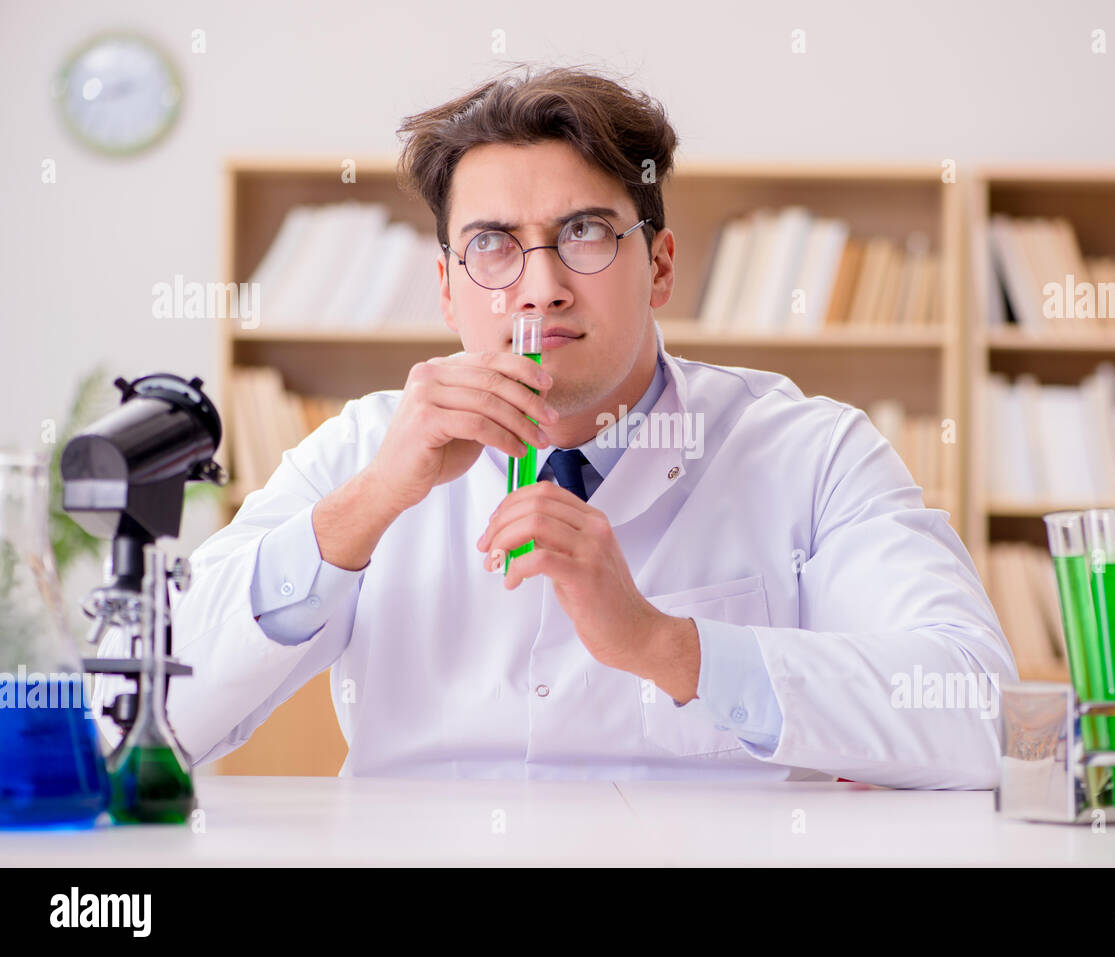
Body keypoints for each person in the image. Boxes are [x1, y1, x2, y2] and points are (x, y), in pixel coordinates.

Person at [96, 64, 1017, 785]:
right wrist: (368, 508)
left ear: (659, 267)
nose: (539, 285)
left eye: (583, 233)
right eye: (493, 245)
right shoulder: (362, 449)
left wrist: (667, 645)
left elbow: (983, 711)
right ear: (450, 286)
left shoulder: (811, 453)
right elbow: (133, 722)